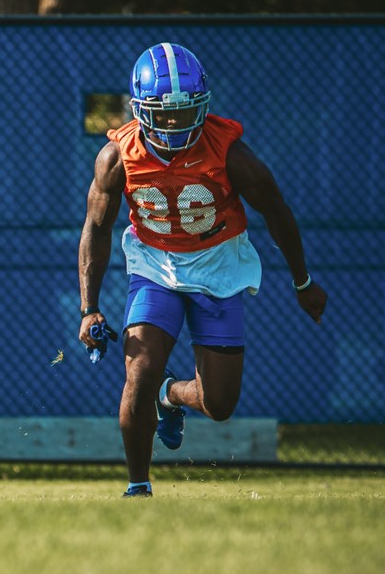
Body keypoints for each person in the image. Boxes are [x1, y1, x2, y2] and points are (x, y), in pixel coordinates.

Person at [77, 42, 327, 498]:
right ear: (140, 109)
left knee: (220, 403)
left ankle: (170, 395)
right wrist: (88, 308)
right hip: (155, 265)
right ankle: (138, 488)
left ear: (204, 106)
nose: (173, 123)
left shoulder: (230, 152)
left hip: (218, 265)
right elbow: (96, 227)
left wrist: (302, 279)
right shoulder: (117, 157)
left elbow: (277, 211)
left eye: (184, 111)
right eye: (163, 113)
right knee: (140, 370)